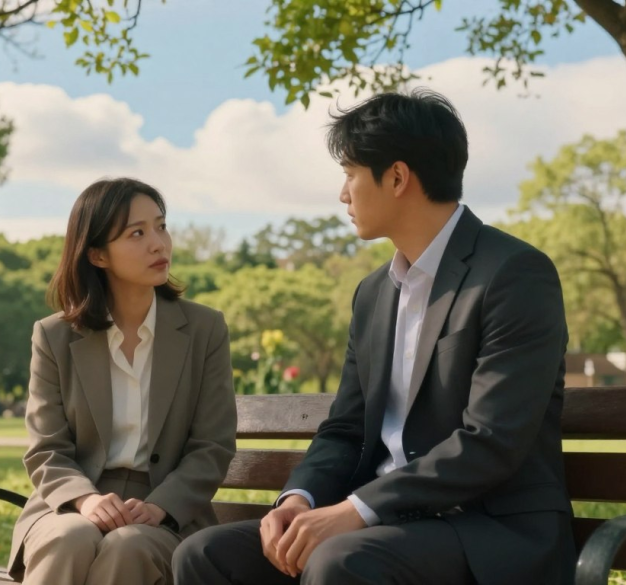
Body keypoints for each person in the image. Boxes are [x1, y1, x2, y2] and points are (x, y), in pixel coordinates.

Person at [173, 89, 575, 585]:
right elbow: (345, 429)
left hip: (488, 530)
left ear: (398, 177)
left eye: (350, 175)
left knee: (340, 561)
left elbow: (492, 440)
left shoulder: (513, 274)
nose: (343, 194)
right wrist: (300, 498)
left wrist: (358, 510)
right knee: (206, 554)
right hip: (384, 525)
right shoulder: (373, 295)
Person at [8, 177, 237, 585]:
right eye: (137, 233)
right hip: (69, 504)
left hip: (167, 513)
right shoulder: (55, 336)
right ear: (97, 255)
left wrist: (160, 507)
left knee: (127, 546)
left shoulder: (205, 329)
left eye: (161, 226)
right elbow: (47, 449)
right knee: (70, 538)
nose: (158, 244)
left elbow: (212, 446)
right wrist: (86, 500)